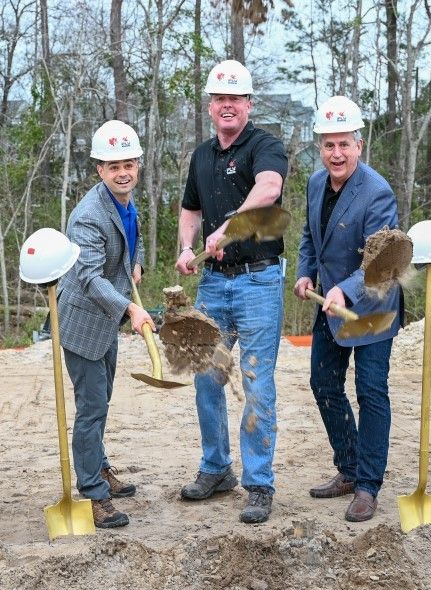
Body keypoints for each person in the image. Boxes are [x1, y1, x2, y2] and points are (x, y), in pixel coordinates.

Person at [175, 60, 288, 524]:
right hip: (214, 285)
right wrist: (187, 247)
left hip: (259, 280)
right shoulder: (202, 156)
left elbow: (269, 188)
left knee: (258, 381)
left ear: (248, 104)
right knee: (208, 377)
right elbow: (189, 210)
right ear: (210, 106)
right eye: (219, 99)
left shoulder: (266, 146)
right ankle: (216, 468)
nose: (227, 106)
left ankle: (258, 483)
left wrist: (227, 228)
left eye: (235, 98)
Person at [293, 96, 402, 522]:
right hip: (330, 307)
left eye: (344, 145)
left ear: (359, 145)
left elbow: (382, 260)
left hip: (372, 306)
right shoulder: (316, 183)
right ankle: (349, 467)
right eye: (328, 145)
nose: (336, 154)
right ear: (320, 146)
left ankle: (368, 486)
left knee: (371, 392)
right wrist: (306, 273)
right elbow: (309, 235)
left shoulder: (378, 192)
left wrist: (344, 289)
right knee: (323, 385)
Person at [56, 119, 153, 528]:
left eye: (129, 163)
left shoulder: (125, 201)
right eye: (113, 166)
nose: (122, 172)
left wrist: (136, 262)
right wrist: (130, 309)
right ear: (99, 169)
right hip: (83, 321)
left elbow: (132, 237)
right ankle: (93, 494)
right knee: (91, 408)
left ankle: (101, 467)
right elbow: (90, 278)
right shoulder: (88, 216)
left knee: (101, 401)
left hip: (106, 318)